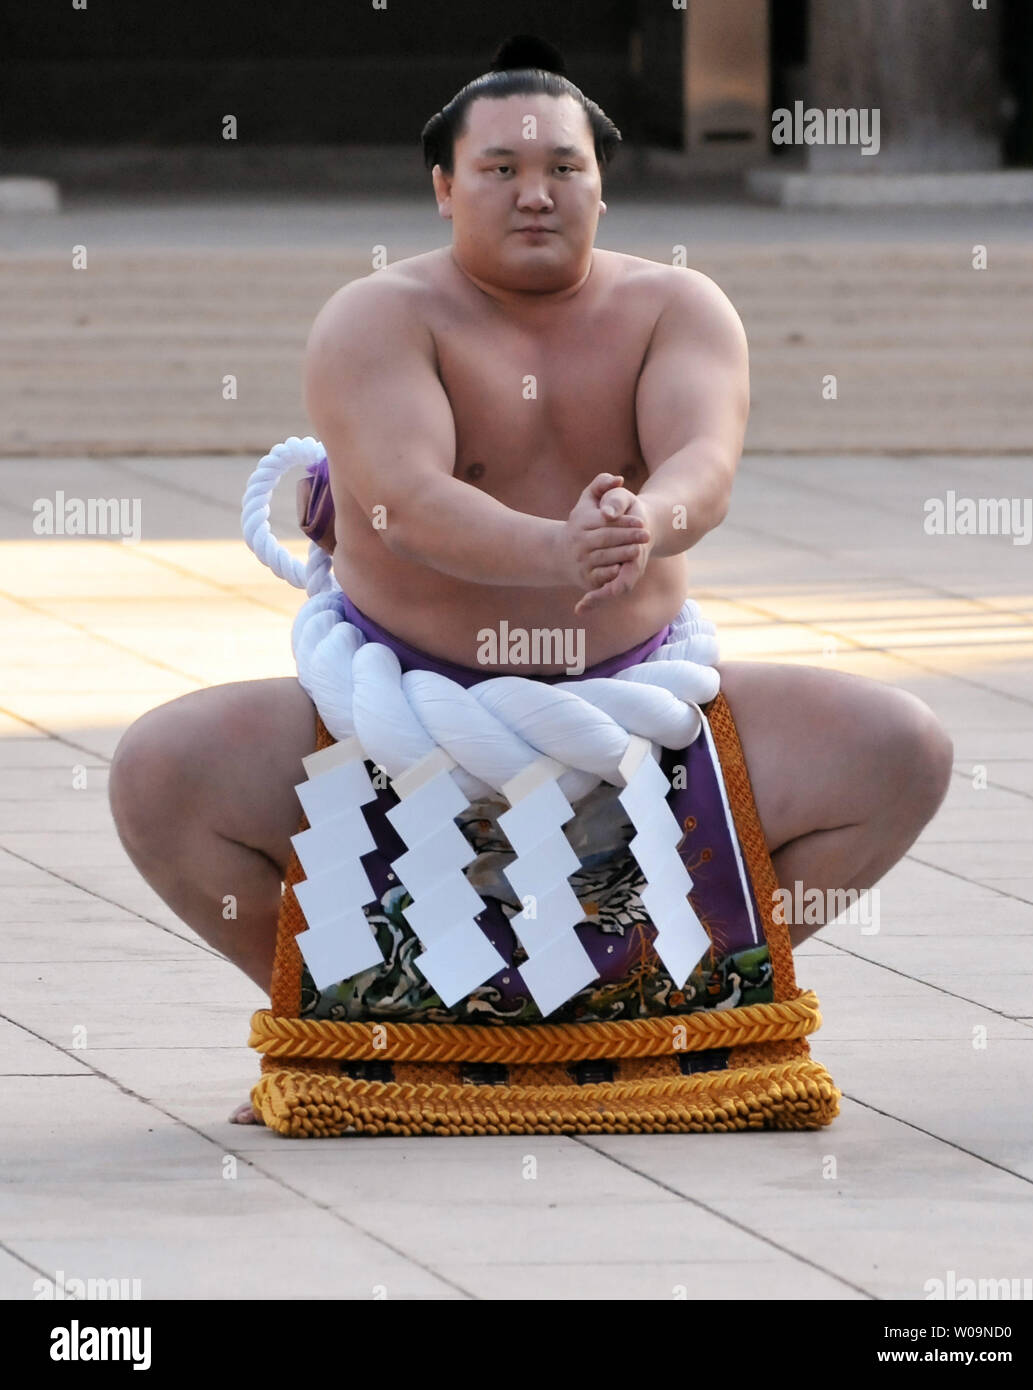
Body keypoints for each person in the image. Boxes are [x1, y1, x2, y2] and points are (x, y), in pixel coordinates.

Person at [108, 36, 953, 1122]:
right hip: (399, 721)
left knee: (902, 749)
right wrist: (557, 549)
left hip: (633, 715)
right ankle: (357, 1018)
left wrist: (644, 520)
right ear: (444, 189)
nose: (536, 192)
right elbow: (404, 501)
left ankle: (669, 999)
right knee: (158, 774)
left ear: (604, 186)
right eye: (500, 169)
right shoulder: (378, 318)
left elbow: (706, 464)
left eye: (564, 167)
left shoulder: (677, 306)